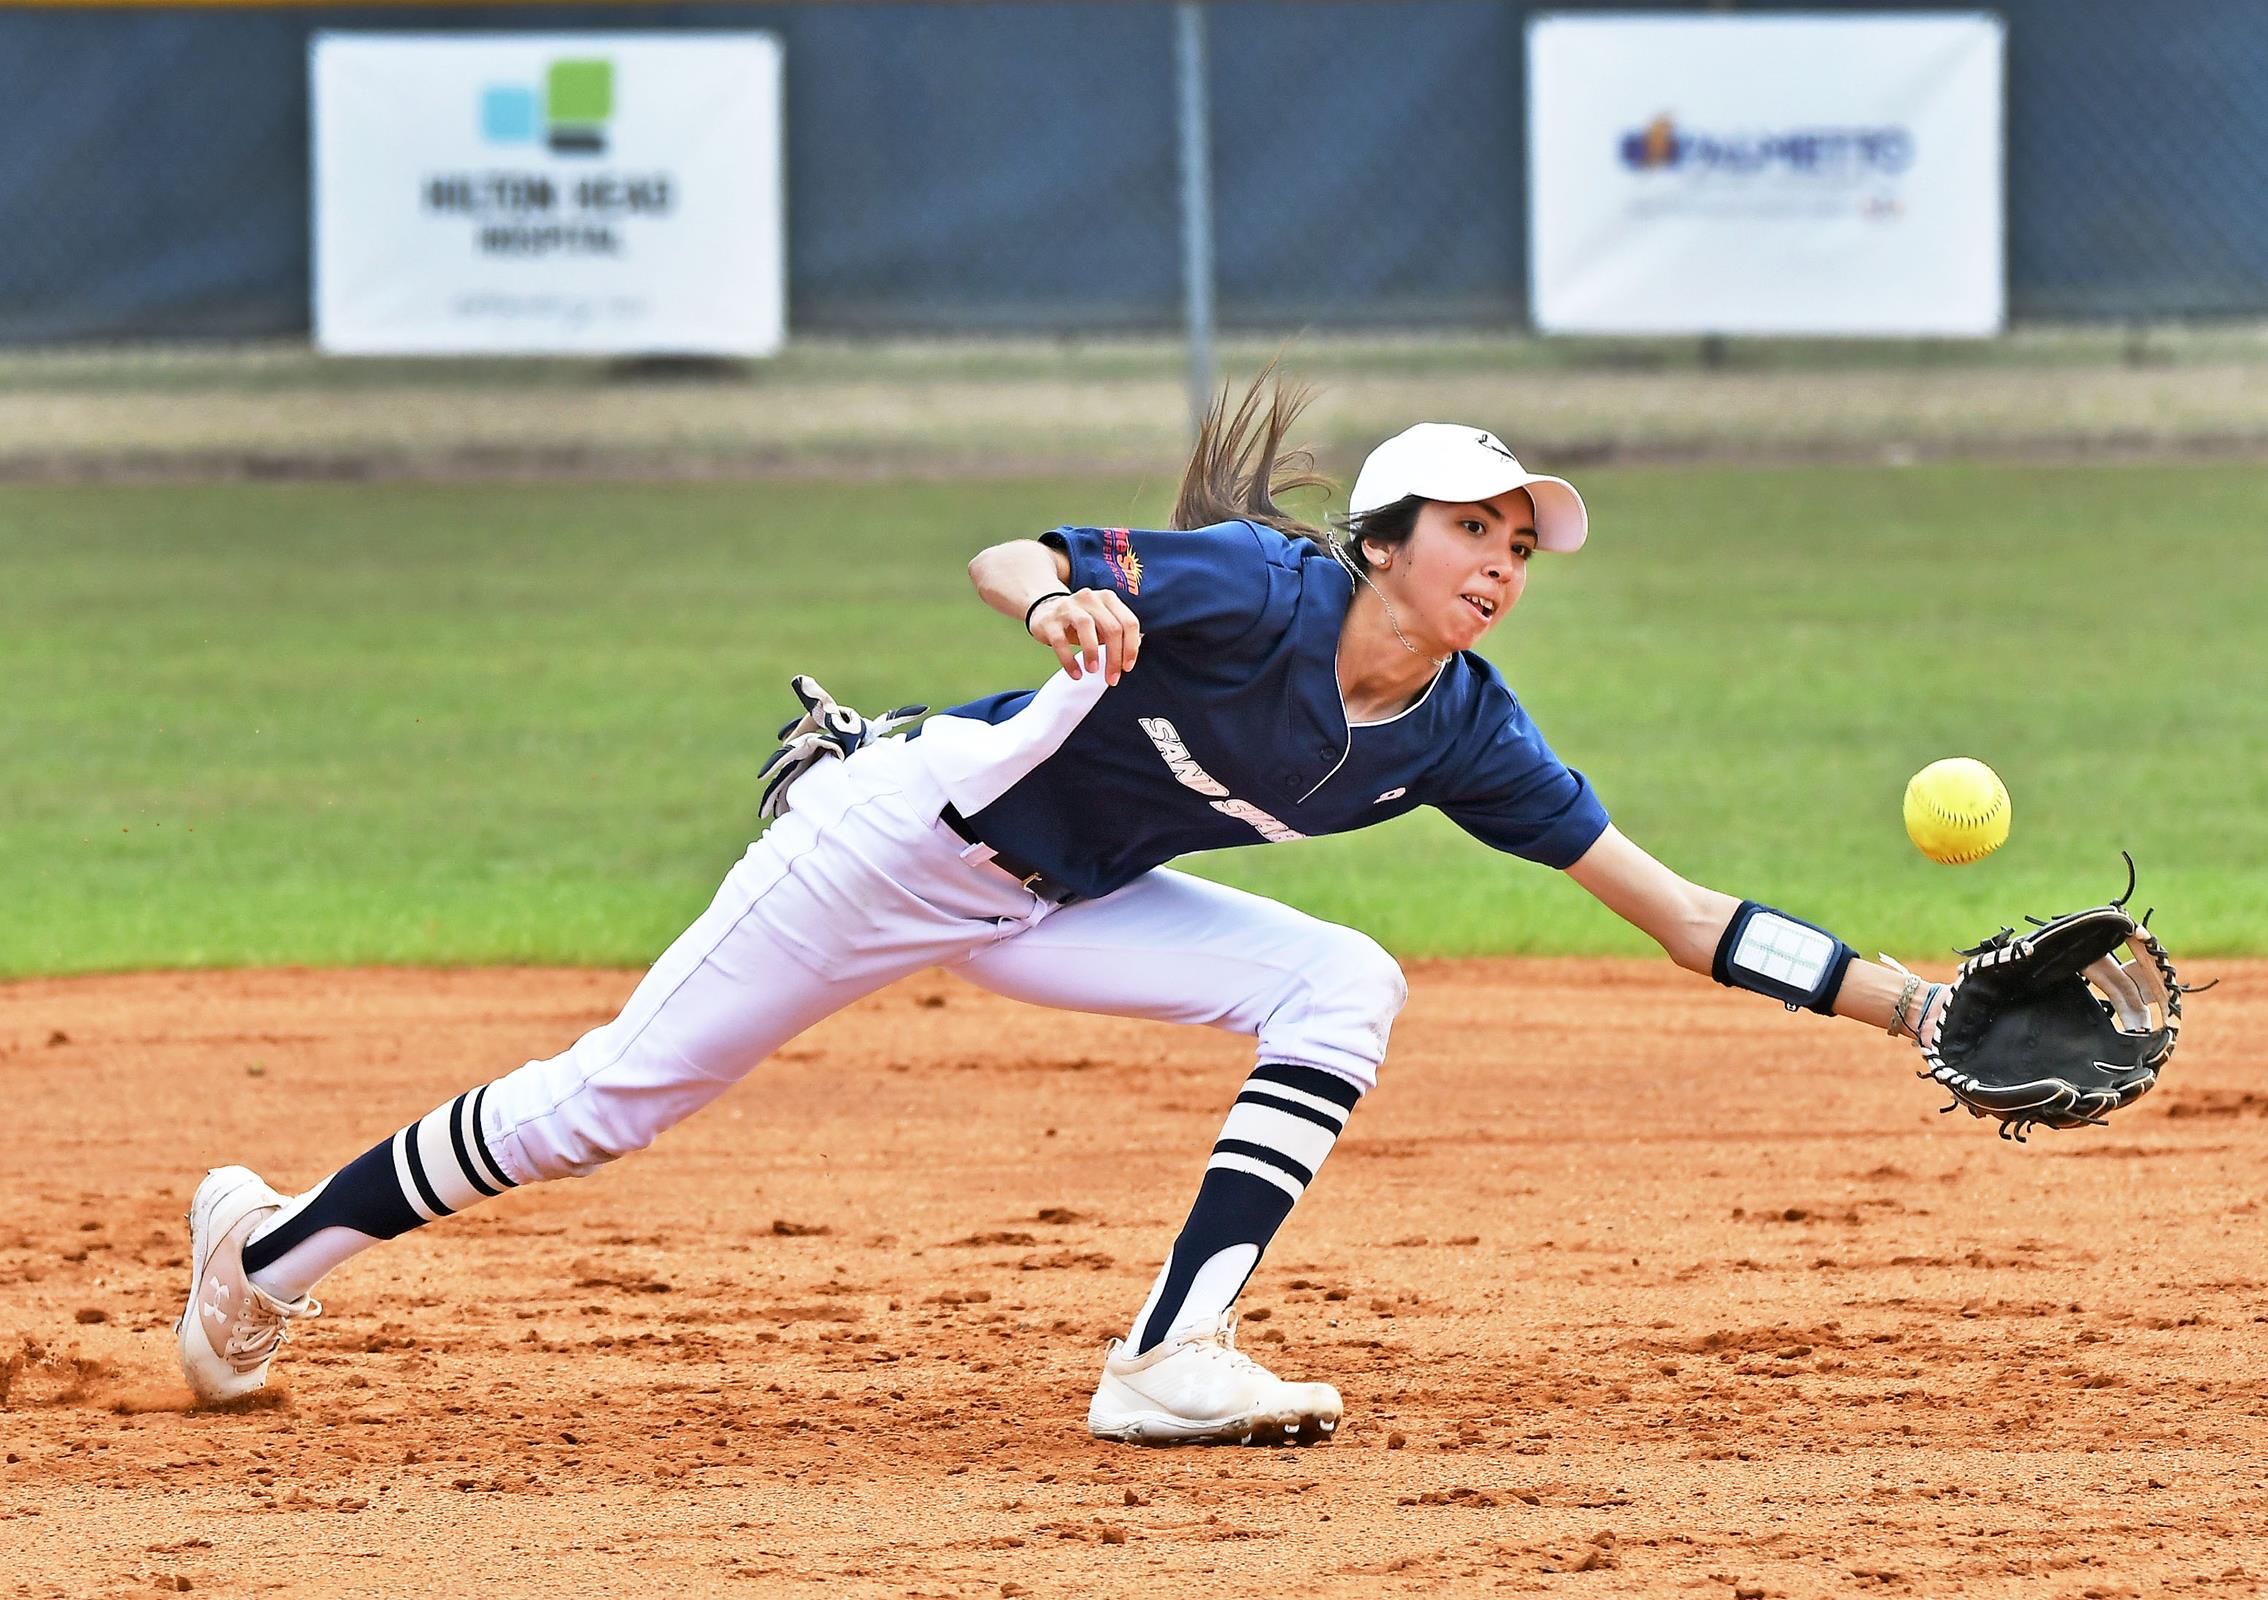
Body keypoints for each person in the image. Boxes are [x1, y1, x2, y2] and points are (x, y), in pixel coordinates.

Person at [175, 371, 1946, 1445]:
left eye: (1521, 543)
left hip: (1058, 900)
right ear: (1384, 538)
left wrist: (1917, 1007)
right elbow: (1010, 553)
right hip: (896, 839)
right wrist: (1051, 611)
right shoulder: (1254, 592)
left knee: (1341, 982)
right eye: (1473, 530)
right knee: (607, 1107)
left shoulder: (1467, 731)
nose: (1501, 563)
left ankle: (1172, 1355)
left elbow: (1678, 913)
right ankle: (260, 1258)